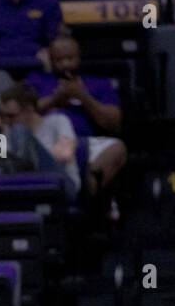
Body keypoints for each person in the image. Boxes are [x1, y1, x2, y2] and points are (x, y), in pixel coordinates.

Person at [26, 35, 128, 196]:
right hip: (49, 143)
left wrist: (83, 96)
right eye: (59, 60)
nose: (66, 64)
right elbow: (26, 114)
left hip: (85, 142)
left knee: (117, 148)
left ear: (79, 57)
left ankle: (87, 194)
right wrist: (56, 99)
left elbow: (113, 121)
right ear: (50, 60)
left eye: (70, 58)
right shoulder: (37, 81)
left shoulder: (98, 83)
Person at [0, 85, 80, 199]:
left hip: (62, 183)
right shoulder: (7, 132)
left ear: (29, 109)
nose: (7, 121)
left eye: (11, 116)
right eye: (3, 116)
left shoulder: (58, 121)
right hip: (23, 183)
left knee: (19, 131)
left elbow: (65, 154)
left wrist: (31, 153)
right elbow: (1, 164)